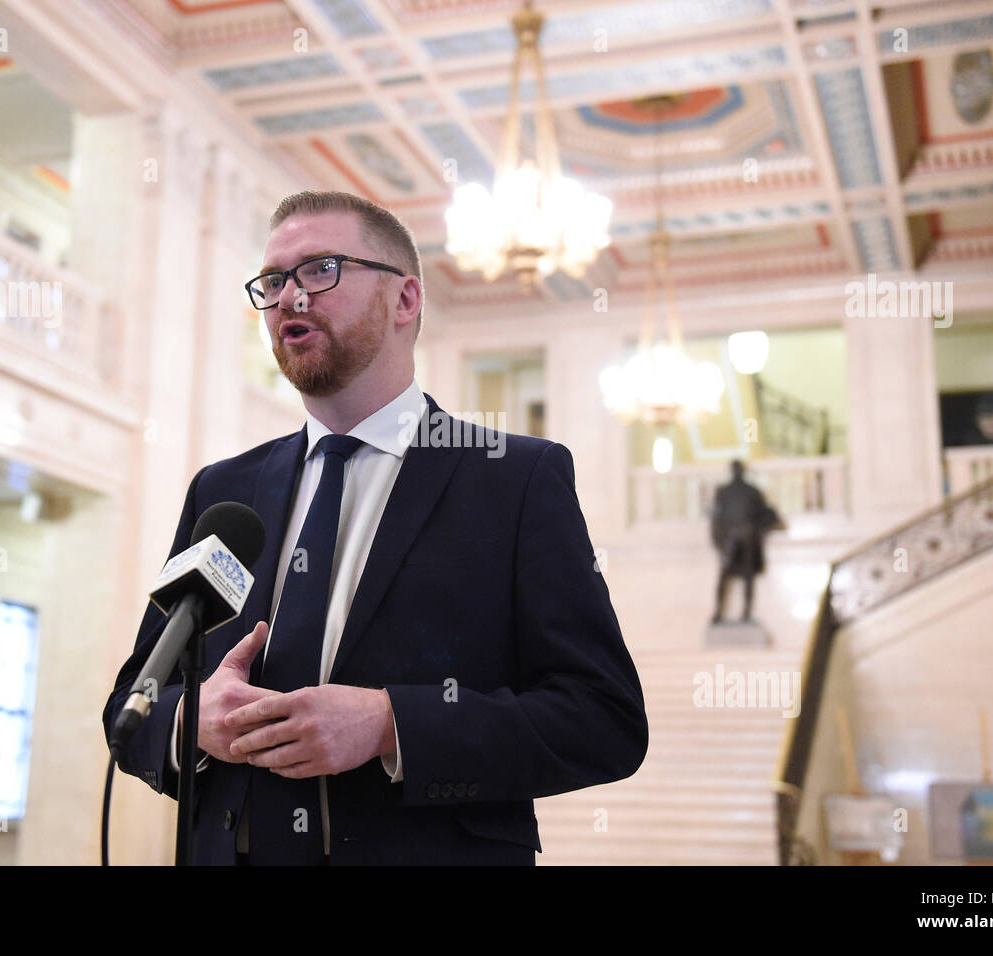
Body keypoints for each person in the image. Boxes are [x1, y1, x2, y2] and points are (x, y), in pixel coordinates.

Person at [103, 190, 648, 865]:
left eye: (321, 269)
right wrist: (193, 722)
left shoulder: (515, 480)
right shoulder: (224, 492)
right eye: (273, 281)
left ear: (406, 301)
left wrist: (394, 725)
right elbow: (132, 707)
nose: (290, 298)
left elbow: (603, 719)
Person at [710, 460, 782, 623]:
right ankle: (726, 612)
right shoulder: (736, 492)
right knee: (734, 576)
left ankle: (740, 613)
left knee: (741, 576)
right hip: (737, 539)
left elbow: (716, 519)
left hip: (741, 539)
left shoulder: (744, 492)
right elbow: (717, 518)